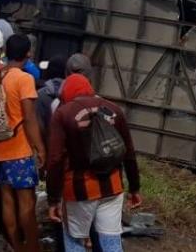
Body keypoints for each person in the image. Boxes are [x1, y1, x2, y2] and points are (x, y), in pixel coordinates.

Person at [47, 74, 142, 252]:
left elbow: (55, 159)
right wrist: (134, 188)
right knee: (111, 242)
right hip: (113, 188)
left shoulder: (63, 114)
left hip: (79, 189)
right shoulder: (114, 110)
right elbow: (128, 153)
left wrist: (53, 199)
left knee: (75, 241)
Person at [0, 33, 47, 252]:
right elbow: (29, 118)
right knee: (26, 204)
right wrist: (40, 148)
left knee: (7, 201)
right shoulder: (24, 79)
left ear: (6, 52)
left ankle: (15, 246)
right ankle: (32, 248)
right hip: (18, 149)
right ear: (28, 54)